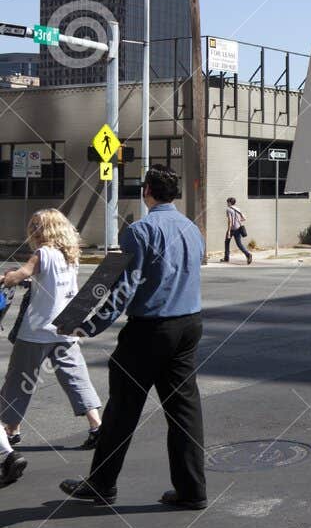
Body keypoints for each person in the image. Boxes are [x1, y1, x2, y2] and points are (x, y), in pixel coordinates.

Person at [59, 167, 208, 510]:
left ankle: (101, 485)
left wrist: (84, 325)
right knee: (184, 411)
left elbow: (120, 288)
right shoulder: (191, 228)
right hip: (188, 325)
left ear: (147, 192)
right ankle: (192, 491)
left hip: (150, 330)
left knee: (122, 410)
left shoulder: (139, 232)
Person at [1, 210, 103, 458]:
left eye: (36, 226)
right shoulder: (71, 255)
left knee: (19, 381)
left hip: (36, 331)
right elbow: (52, 285)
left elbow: (22, 274)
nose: (33, 230)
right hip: (66, 328)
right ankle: (97, 426)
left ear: (44, 229)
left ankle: (11, 431)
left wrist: (6, 277)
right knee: (75, 377)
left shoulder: (42, 254)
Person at [223, 198, 253, 264]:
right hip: (238, 228)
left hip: (232, 229)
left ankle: (226, 258)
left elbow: (230, 221)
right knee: (239, 244)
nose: (227, 203)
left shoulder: (229, 209)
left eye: (227, 202)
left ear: (230, 203)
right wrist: (238, 221)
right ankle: (248, 254)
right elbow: (244, 218)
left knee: (227, 242)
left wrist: (228, 231)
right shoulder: (237, 209)